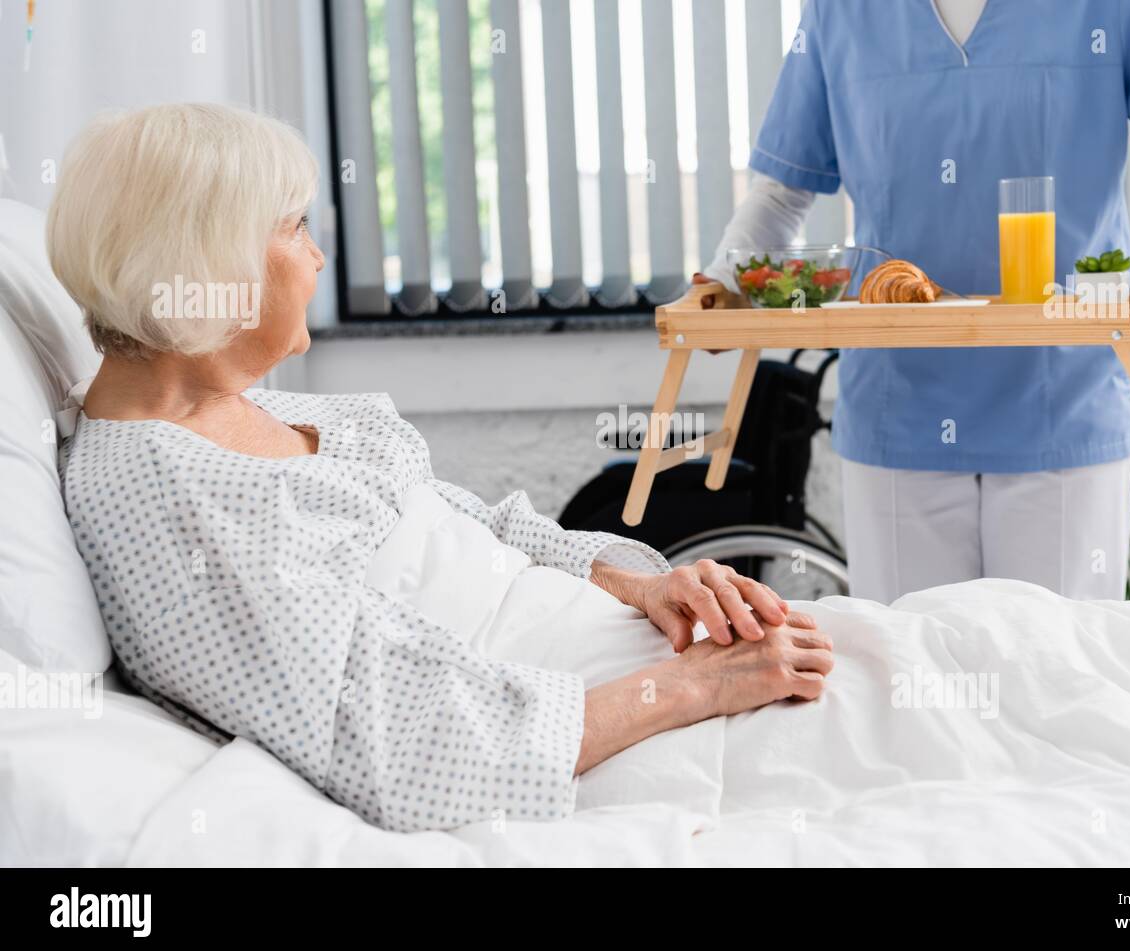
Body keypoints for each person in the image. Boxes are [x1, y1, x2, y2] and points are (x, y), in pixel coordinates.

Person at [51, 104, 833, 832]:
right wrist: (697, 685)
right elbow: (397, 745)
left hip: (614, 653)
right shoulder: (161, 498)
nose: (319, 253)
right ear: (207, 261)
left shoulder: (277, 410)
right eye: (294, 227)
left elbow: (476, 519)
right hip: (578, 728)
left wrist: (648, 584)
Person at [699, 0, 1130, 602]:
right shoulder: (841, 13)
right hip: (899, 410)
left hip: (1064, 405)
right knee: (908, 674)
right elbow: (783, 192)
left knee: (1054, 674)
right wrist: (718, 285)